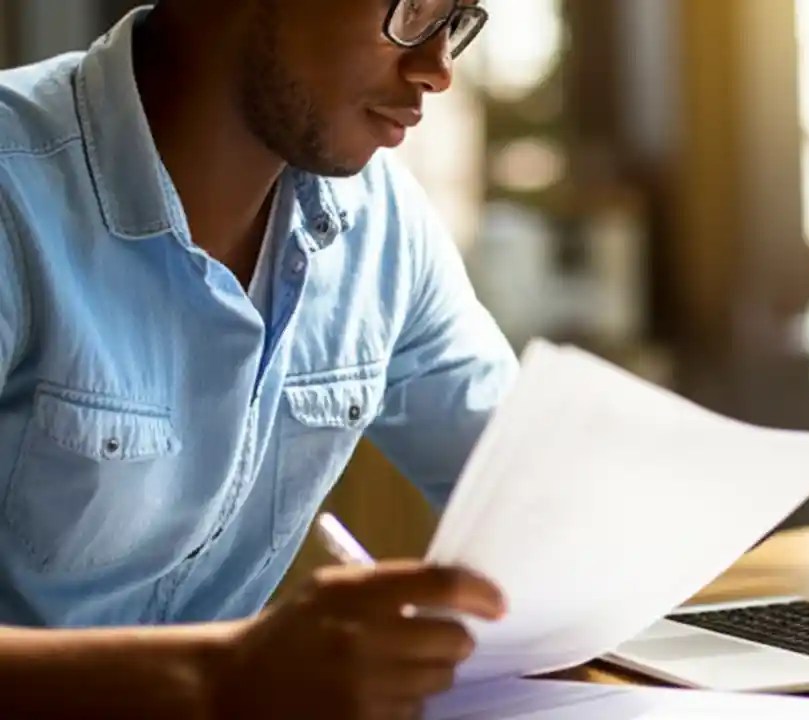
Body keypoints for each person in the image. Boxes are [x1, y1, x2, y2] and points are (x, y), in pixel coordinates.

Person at [0, 1, 517, 716]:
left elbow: (534, 487)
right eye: (411, 10)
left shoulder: (383, 226)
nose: (438, 70)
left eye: (455, 19)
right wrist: (219, 677)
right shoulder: (12, 195)